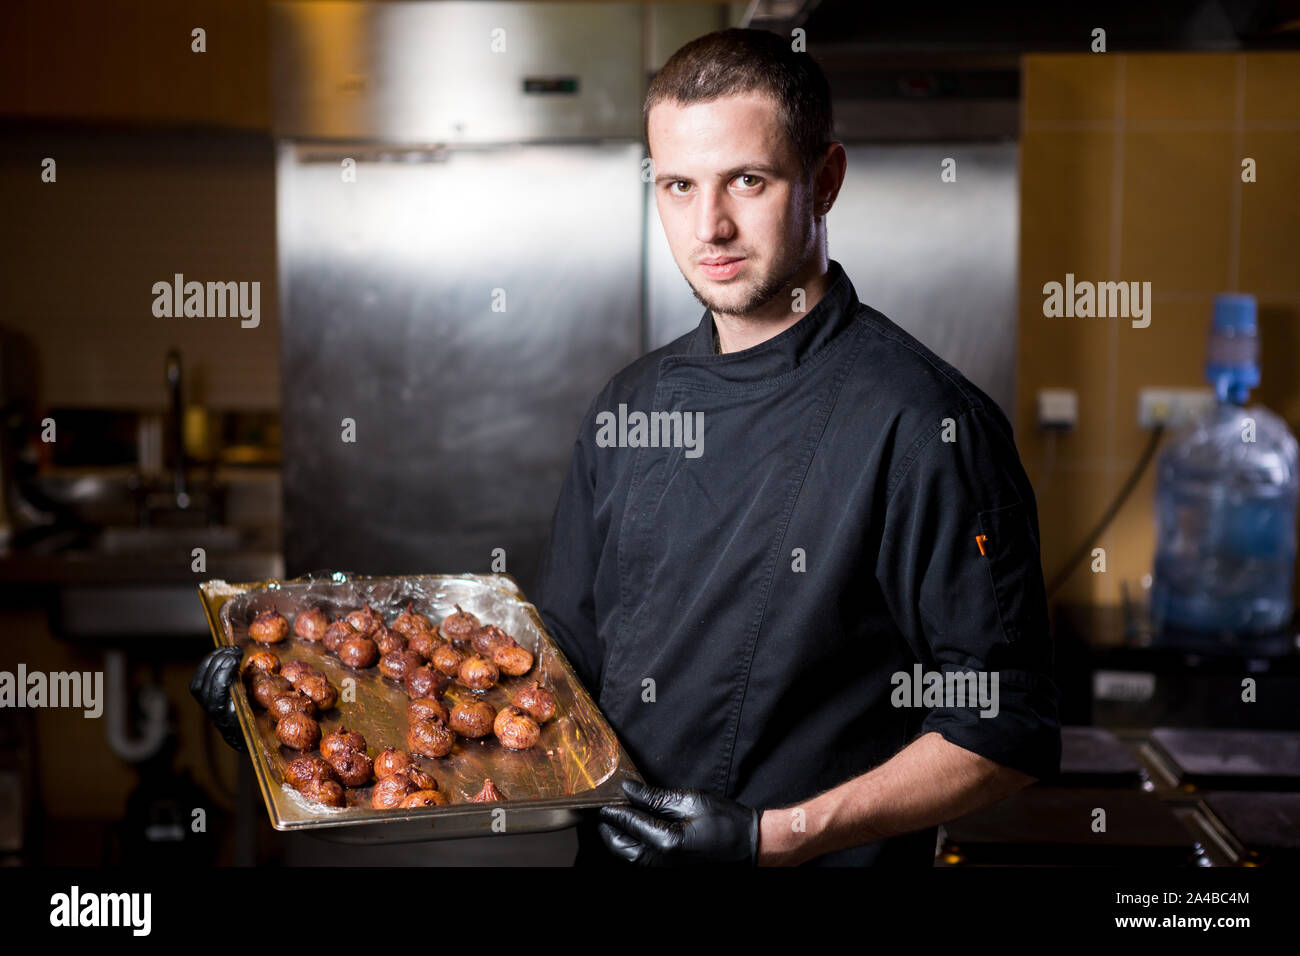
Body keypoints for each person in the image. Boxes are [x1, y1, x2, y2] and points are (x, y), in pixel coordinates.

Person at [193, 27, 1060, 868]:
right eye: (678, 186)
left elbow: (1004, 726)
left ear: (825, 180)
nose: (709, 225)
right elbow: (556, 669)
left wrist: (775, 838)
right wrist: (300, 701)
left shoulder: (925, 423)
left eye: (747, 181)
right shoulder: (633, 405)